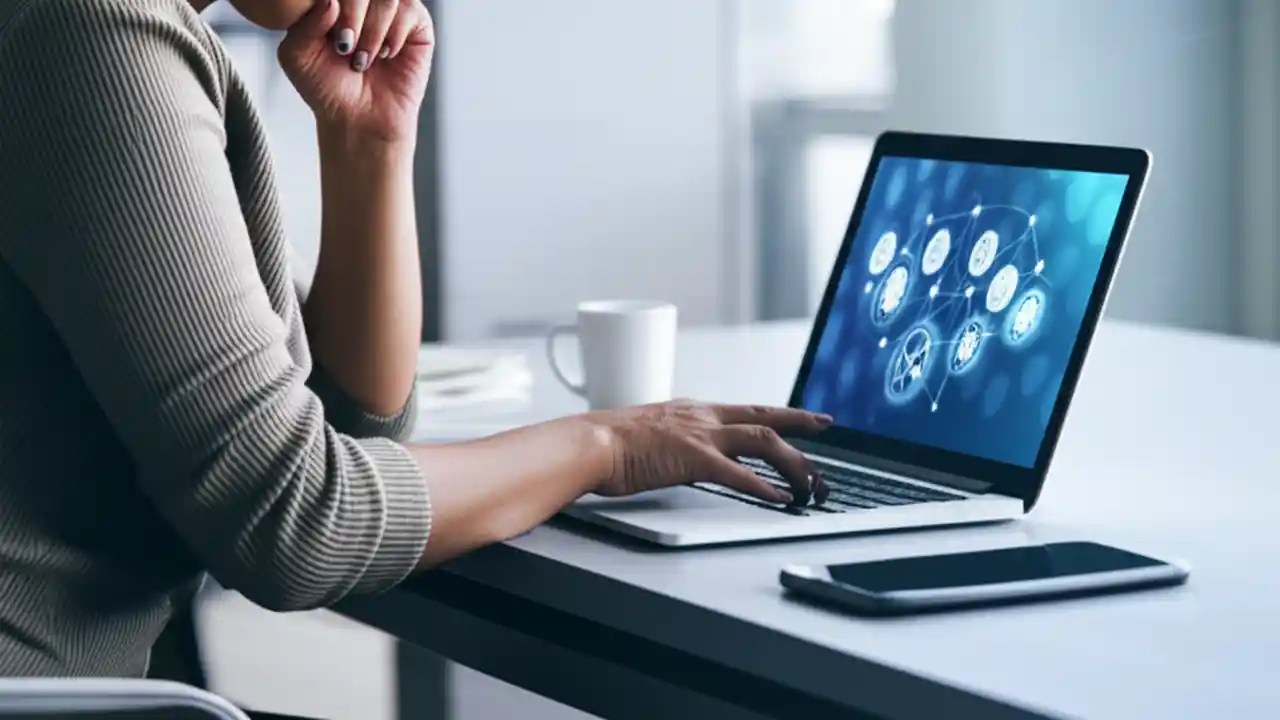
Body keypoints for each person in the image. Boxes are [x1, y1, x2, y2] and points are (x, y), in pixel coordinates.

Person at [0, 0, 830, 678]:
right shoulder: (87, 34)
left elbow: (352, 436)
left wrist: (369, 142)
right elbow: (297, 521)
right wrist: (609, 443)